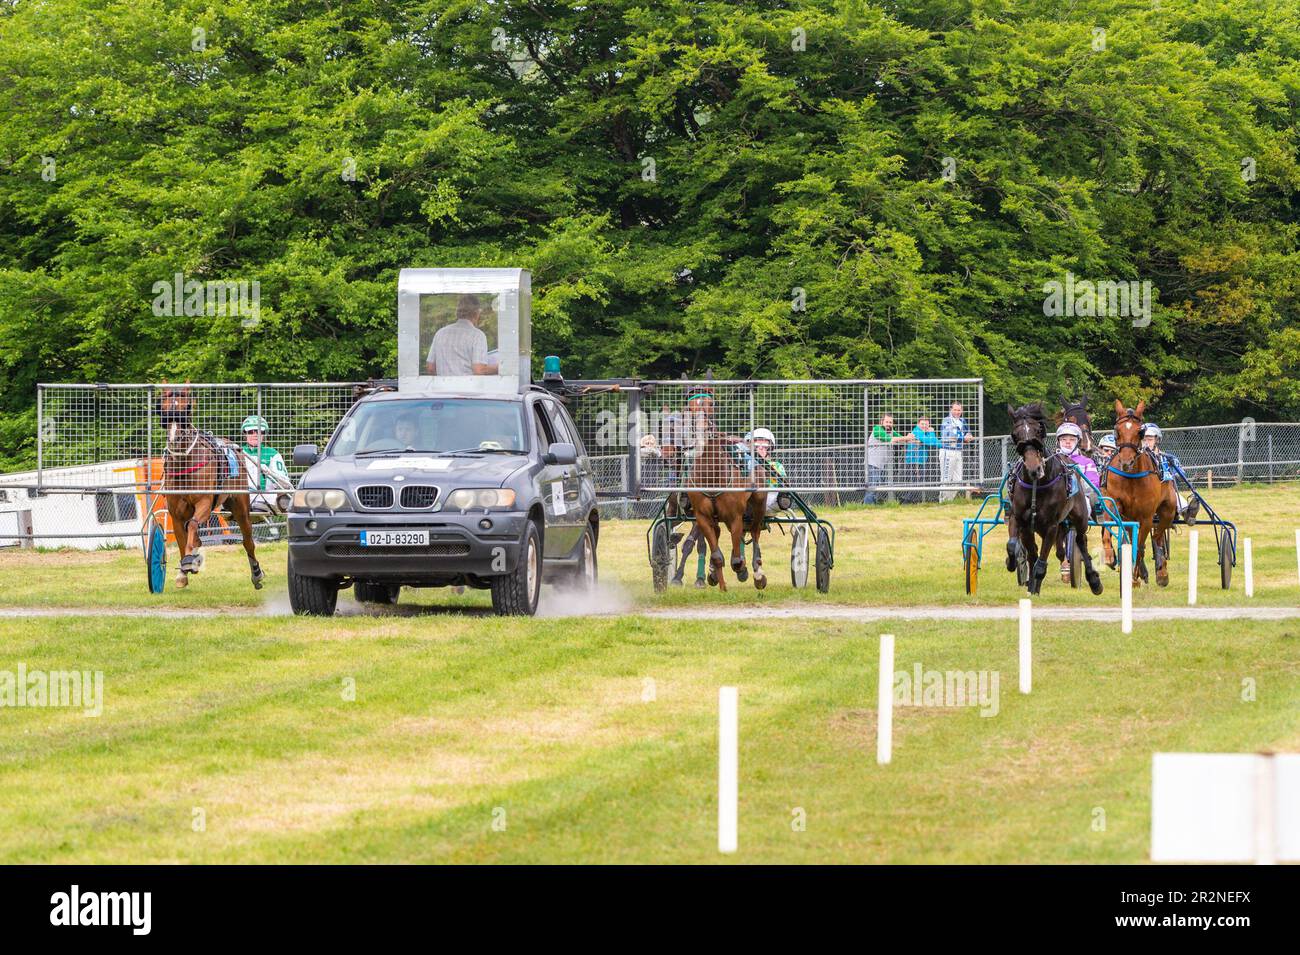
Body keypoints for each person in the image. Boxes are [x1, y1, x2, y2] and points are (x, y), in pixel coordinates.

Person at [1055, 422, 1098, 583]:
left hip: (1081, 499)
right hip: (1057, 502)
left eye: (1071, 439)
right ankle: (1064, 558)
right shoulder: (1052, 460)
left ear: (1078, 441)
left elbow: (1093, 484)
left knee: (1085, 504)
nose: (1067, 442)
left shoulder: (1087, 462)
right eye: (1064, 439)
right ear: (1058, 441)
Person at [425, 294, 499, 376]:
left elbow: (430, 368)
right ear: (477, 313)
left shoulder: (440, 333)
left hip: (443, 388)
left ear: (457, 313)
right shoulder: (477, 335)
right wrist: (500, 368)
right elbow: (479, 370)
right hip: (467, 388)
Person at [1142, 424, 1200, 522]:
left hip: (1166, 494)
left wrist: (1176, 475)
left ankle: (1187, 513)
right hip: (1143, 495)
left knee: (1171, 493)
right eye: (1143, 440)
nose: (1146, 443)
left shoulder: (1168, 458)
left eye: (1150, 439)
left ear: (1157, 440)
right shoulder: (1137, 461)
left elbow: (1181, 476)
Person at [240, 415, 289, 513]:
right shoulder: (237, 452)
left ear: (263, 434)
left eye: (259, 431)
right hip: (241, 495)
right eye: (250, 432)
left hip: (266, 496)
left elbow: (284, 481)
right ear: (245, 434)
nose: (255, 434)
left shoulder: (272, 453)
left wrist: (270, 473)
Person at [864, 413, 909, 504]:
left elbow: (901, 438)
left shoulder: (891, 431)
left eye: (890, 422)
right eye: (887, 422)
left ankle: (872, 506)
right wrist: (906, 437)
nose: (888, 424)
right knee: (872, 486)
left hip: (880, 464)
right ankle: (867, 506)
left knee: (877, 486)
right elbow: (889, 439)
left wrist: (911, 437)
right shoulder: (877, 429)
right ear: (881, 422)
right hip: (872, 463)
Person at [903, 416, 940, 503]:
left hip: (921, 461)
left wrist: (943, 444)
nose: (924, 426)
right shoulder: (916, 431)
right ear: (918, 424)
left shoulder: (925, 433)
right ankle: (906, 501)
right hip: (913, 462)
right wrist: (932, 432)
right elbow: (931, 442)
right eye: (922, 424)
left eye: (926, 424)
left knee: (918, 483)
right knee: (916, 483)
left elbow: (936, 443)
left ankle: (910, 501)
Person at [938, 401, 969, 502]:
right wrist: (963, 438)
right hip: (948, 451)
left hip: (958, 451)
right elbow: (950, 436)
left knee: (958, 480)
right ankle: (942, 501)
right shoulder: (946, 420)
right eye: (955, 409)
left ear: (962, 410)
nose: (957, 412)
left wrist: (969, 436)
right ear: (951, 410)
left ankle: (949, 500)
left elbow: (968, 433)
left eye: (959, 410)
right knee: (946, 479)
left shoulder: (963, 420)